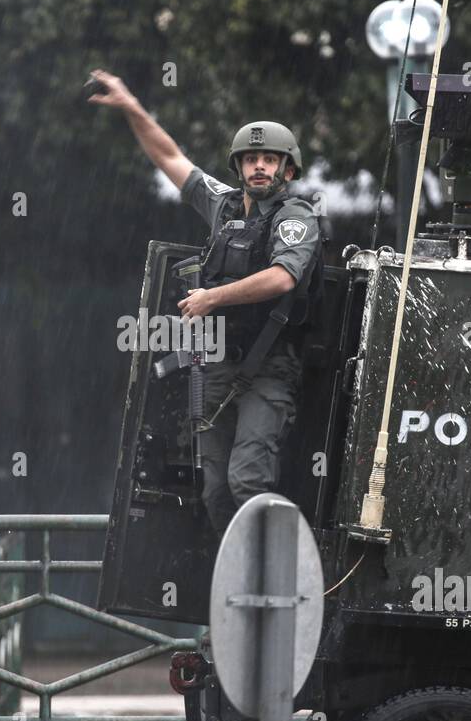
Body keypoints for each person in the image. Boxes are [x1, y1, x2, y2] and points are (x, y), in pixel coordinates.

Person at [88, 69, 321, 539]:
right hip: (214, 367)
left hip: (269, 368)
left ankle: (275, 587)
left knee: (248, 481)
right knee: (214, 491)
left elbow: (282, 277)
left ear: (288, 170)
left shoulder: (296, 217)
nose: (259, 167)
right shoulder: (224, 206)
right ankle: (236, 584)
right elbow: (169, 156)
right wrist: (132, 105)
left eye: (270, 160)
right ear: (239, 168)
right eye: (251, 159)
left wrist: (212, 297)